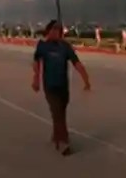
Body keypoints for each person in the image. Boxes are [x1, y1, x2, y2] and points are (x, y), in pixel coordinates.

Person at [31, 19, 91, 155]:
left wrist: (86, 79)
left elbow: (76, 63)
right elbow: (36, 62)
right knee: (57, 112)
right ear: (48, 31)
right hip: (50, 86)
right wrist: (36, 79)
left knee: (60, 113)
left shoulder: (65, 47)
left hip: (63, 86)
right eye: (54, 30)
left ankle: (56, 135)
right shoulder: (42, 46)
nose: (56, 32)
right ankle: (64, 143)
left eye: (59, 30)